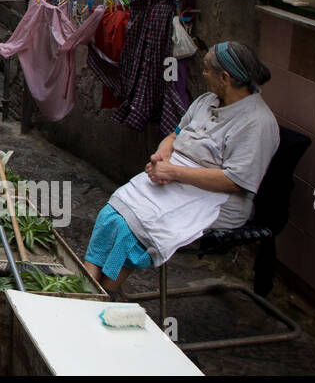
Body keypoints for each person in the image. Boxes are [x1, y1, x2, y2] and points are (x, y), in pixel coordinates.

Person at [82, 40, 279, 298]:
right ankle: (85, 287)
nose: (204, 74)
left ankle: (103, 292)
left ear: (225, 77)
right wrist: (163, 153)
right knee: (115, 209)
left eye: (207, 70)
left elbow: (235, 181)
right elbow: (176, 135)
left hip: (218, 199)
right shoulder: (207, 100)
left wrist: (173, 172)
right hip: (177, 180)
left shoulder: (257, 123)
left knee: (135, 228)